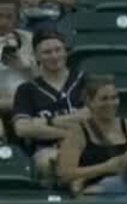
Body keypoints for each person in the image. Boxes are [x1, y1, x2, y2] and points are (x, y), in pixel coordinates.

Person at [55, 75, 127, 196]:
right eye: (104, 99)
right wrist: (106, 167)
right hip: (94, 193)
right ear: (90, 102)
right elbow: (65, 174)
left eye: (114, 98)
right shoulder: (78, 132)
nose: (110, 103)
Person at [10, 31, 83, 180]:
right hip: (47, 148)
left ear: (66, 52)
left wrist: (48, 122)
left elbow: (91, 116)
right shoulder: (27, 89)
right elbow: (22, 128)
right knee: (48, 161)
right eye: (47, 52)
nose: (54, 56)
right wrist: (67, 133)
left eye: (58, 50)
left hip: (87, 145)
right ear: (36, 57)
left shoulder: (84, 81)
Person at [0, 0, 36, 120]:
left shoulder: (30, 39)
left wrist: (26, 66)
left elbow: (45, 79)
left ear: (17, 18)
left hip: (25, 97)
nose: (3, 22)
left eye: (9, 17)